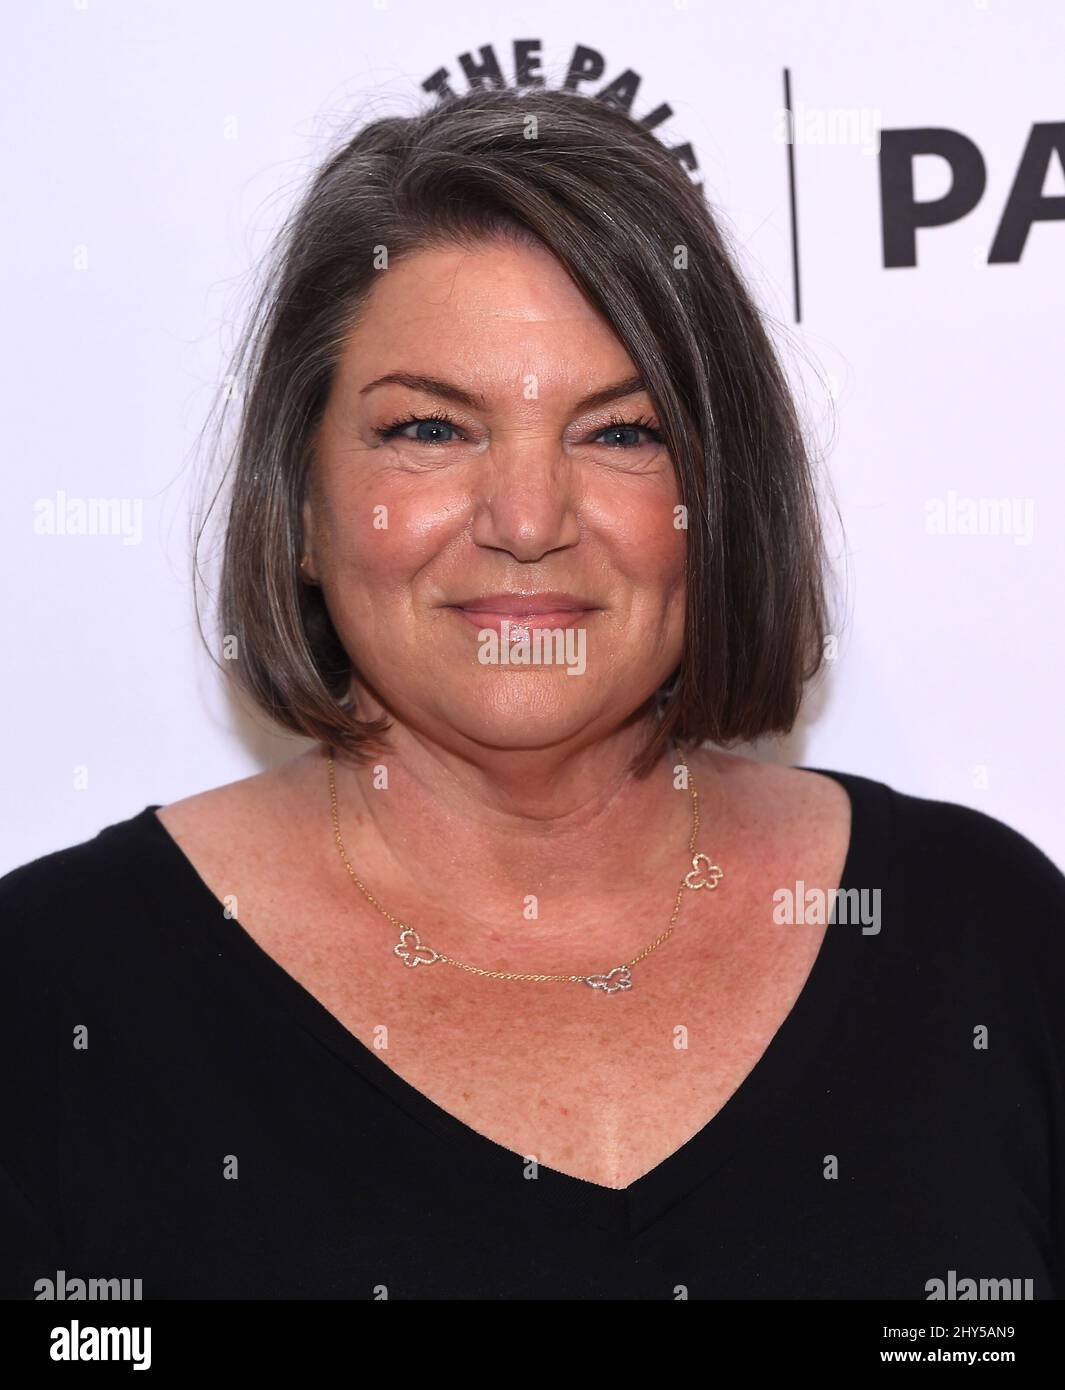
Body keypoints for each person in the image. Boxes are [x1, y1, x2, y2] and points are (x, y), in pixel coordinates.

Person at [3, 86, 1063, 1301]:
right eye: (430, 429)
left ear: (719, 502)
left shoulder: (984, 940)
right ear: (302, 506)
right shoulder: (52, 999)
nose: (525, 522)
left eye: (619, 435)